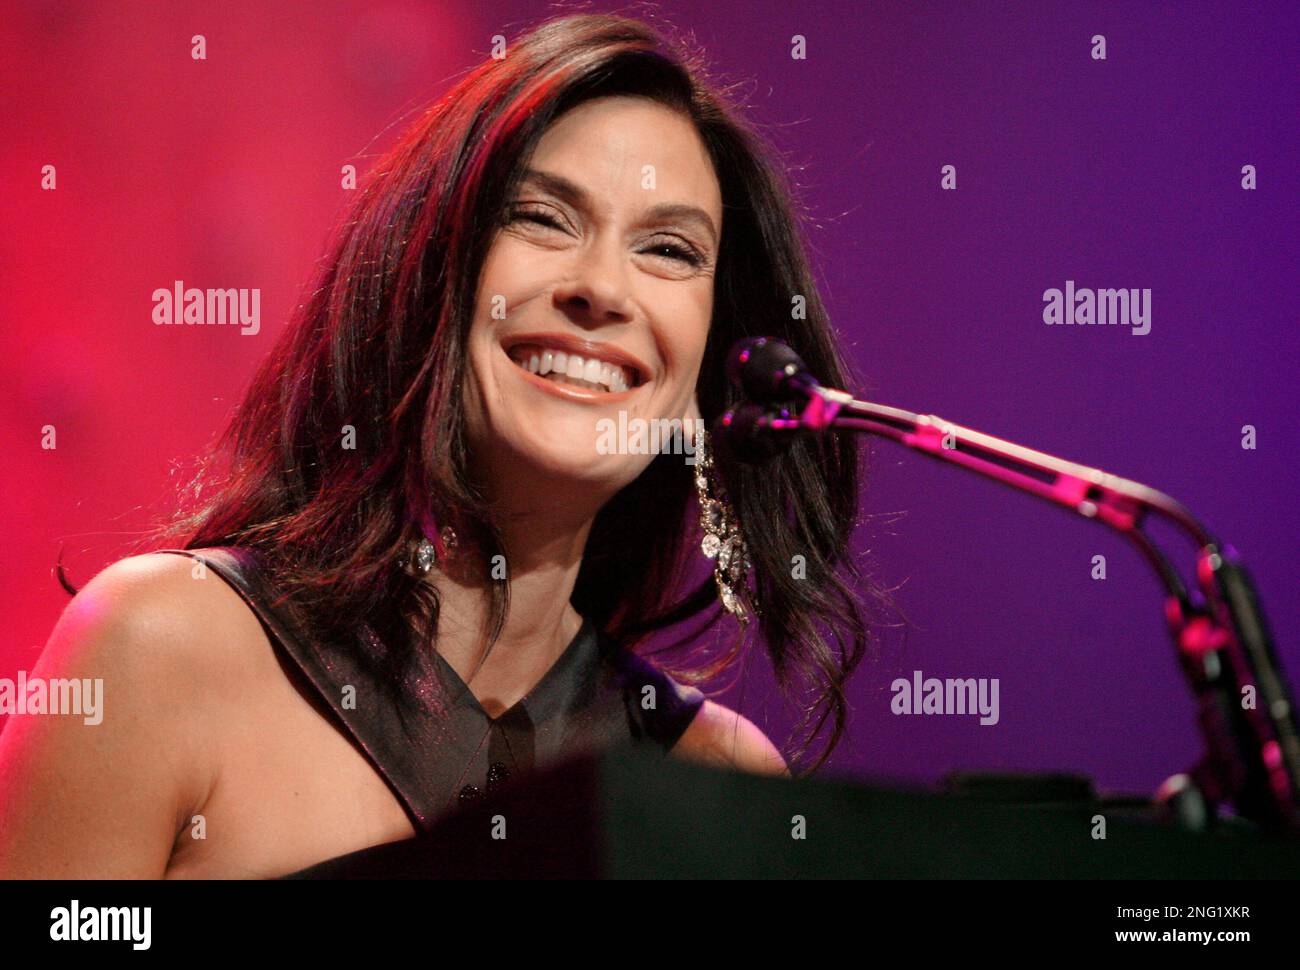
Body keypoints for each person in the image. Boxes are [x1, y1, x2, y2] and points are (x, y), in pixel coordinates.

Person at [0, 12, 874, 878]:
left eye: (670, 249)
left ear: (713, 360)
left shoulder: (716, 781)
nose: (603, 288)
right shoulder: (160, 652)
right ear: (431, 272)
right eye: (542, 217)